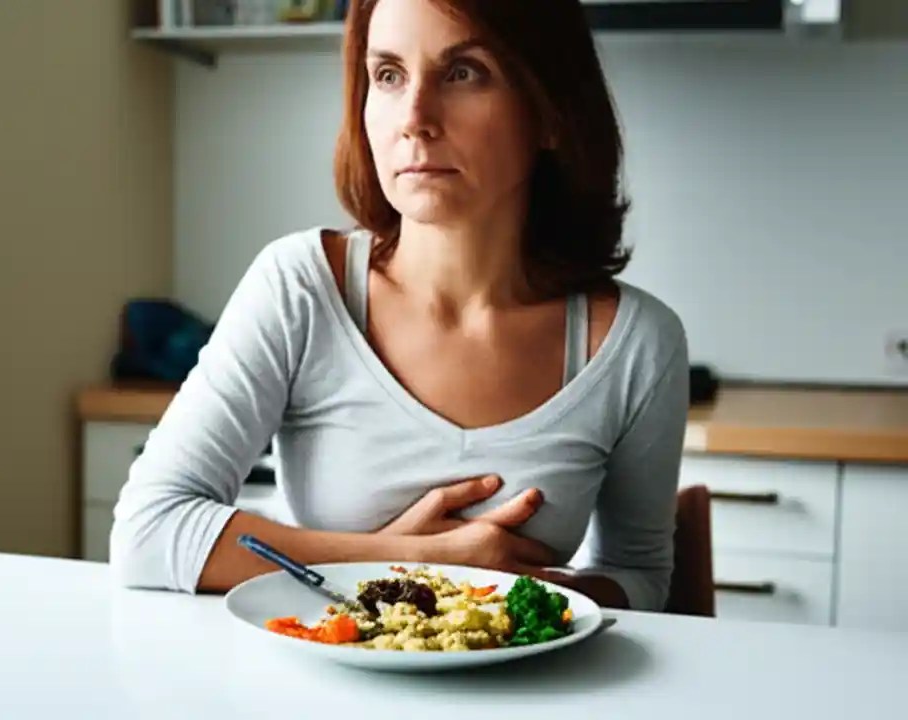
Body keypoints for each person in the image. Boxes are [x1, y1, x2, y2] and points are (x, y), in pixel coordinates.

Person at [110, 0, 689, 611]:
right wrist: (420, 559)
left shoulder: (637, 344)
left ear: (550, 112)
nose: (415, 118)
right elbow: (149, 532)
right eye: (388, 75)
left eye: (463, 72)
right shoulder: (300, 288)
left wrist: (522, 598)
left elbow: (640, 577)